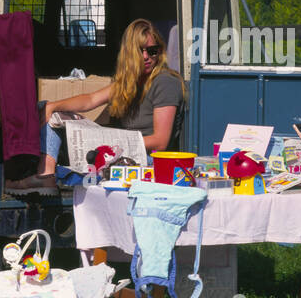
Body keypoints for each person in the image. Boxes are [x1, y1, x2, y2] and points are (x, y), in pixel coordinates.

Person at [17, 18, 185, 190]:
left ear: (160, 50)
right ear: (129, 54)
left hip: (145, 159)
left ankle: (60, 175)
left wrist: (114, 143)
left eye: (152, 51)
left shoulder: (165, 82)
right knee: (51, 111)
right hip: (119, 150)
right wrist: (52, 106)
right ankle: (45, 175)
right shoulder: (129, 82)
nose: (146, 57)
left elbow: (160, 141)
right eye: (139, 51)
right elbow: (91, 99)